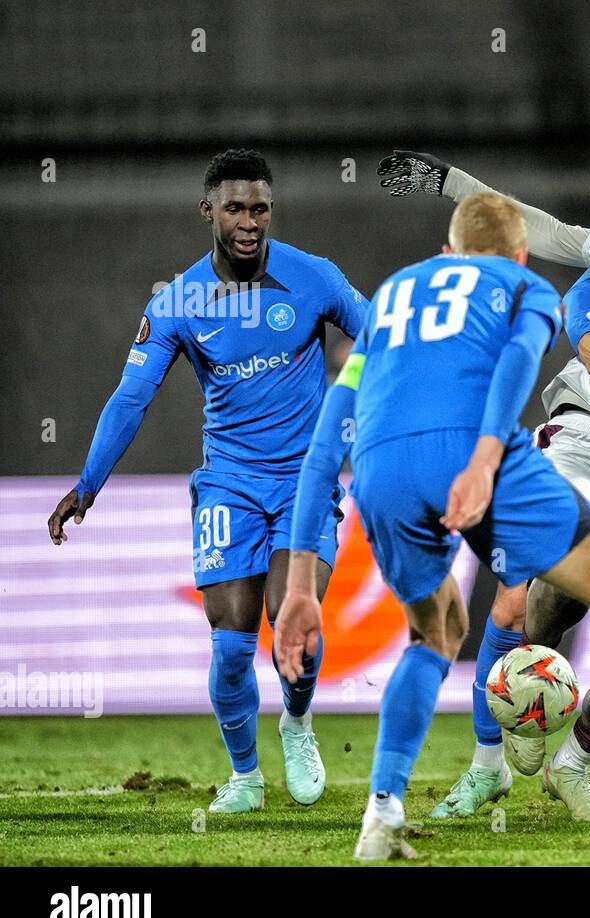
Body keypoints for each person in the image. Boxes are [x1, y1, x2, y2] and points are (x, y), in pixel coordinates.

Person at [274, 193, 590, 860]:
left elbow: (326, 442)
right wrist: (486, 458)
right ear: (519, 255)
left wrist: (297, 589)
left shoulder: (389, 301)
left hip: (378, 468)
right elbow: (520, 361)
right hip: (490, 449)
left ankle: (382, 815)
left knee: (435, 635)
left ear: (447, 251)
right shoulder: (526, 286)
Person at [47, 148, 367, 811]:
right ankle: (247, 776)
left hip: (306, 484)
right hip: (228, 485)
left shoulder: (316, 278)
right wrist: (89, 482)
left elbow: (384, 340)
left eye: (260, 208)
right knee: (229, 648)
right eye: (235, 208)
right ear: (209, 212)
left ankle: (298, 724)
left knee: (294, 628)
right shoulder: (177, 301)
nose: (250, 221)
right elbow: (131, 397)